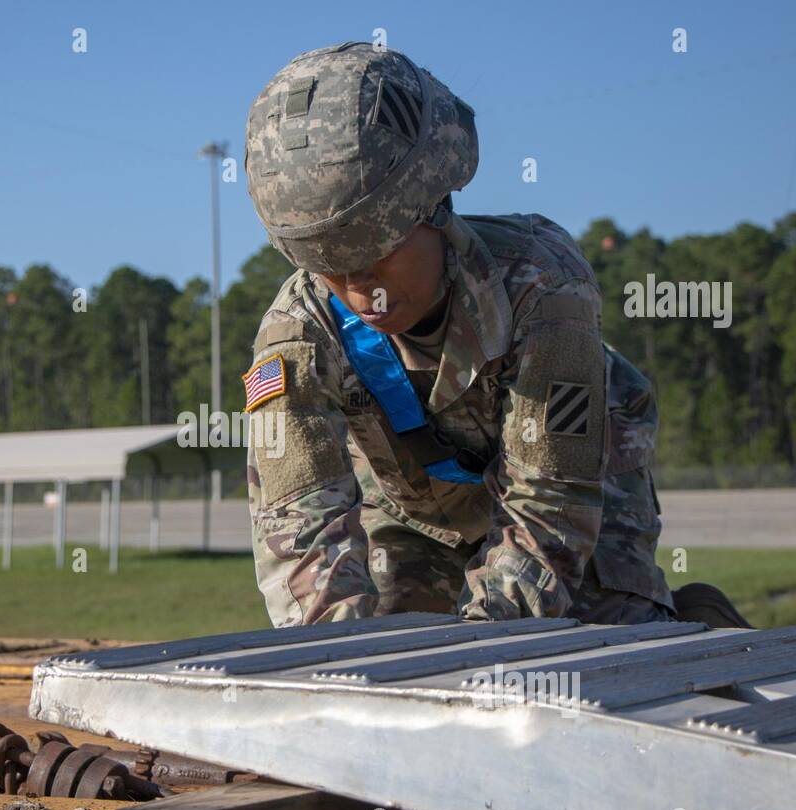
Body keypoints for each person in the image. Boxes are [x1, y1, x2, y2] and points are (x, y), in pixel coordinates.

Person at [241, 41, 749, 629]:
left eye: (378, 254)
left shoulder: (542, 288)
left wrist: (488, 648)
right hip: (415, 509)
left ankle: (699, 619)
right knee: (395, 639)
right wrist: (344, 666)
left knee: (605, 644)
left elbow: (549, 506)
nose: (359, 291)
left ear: (436, 205)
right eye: (330, 265)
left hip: (580, 473)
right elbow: (299, 529)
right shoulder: (297, 336)